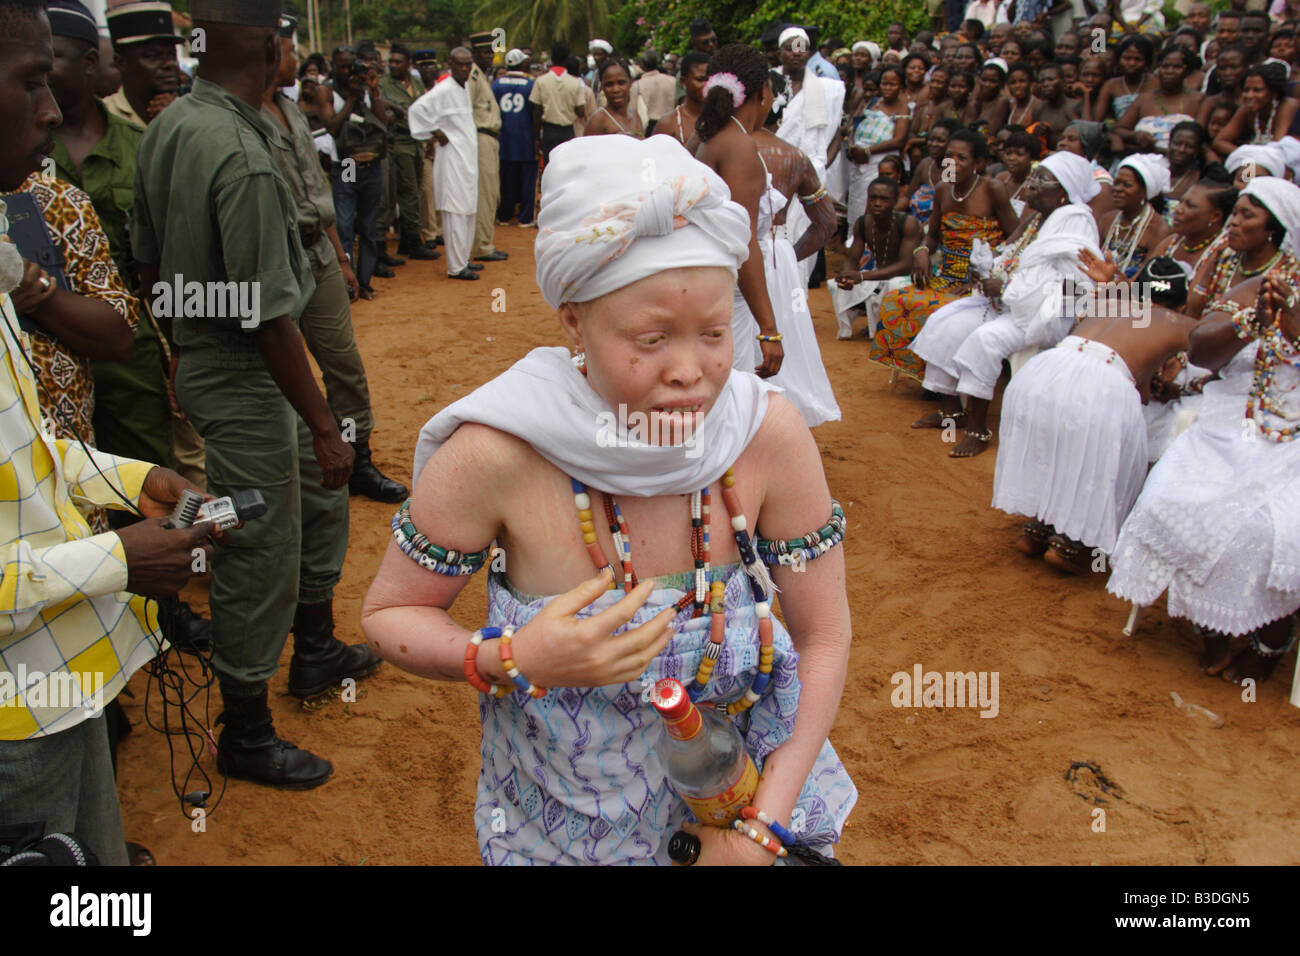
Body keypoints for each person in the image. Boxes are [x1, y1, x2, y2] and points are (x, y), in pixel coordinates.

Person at [362, 132, 856, 865]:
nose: (691, 371)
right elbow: (389, 614)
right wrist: (510, 655)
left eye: (716, 333)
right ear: (573, 319)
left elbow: (823, 636)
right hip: (564, 830)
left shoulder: (764, 435)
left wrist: (761, 829)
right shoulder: (498, 451)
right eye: (651, 339)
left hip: (750, 813)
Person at [132, 0, 374, 789]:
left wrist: (177, 348)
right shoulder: (240, 151)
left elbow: (144, 259)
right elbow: (268, 316)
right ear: (270, 47)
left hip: (221, 359)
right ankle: (245, 729)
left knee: (315, 504)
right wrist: (327, 428)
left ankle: (315, 651)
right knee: (254, 540)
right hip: (245, 371)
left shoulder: (173, 122)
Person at [0, 0, 216, 871]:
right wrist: (125, 560)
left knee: (92, 868)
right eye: (30, 82)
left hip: (55, 688)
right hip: (14, 714)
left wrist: (135, 482)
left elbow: (34, 453)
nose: (52, 110)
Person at [1108, 178, 1300, 684]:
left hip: (1292, 424)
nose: (1234, 222)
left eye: (1247, 216)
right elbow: (1201, 352)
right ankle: (1211, 623)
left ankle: (1270, 638)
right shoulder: (1246, 282)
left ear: (1277, 231)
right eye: (1234, 213)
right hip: (1231, 414)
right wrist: (1253, 322)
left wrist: (1290, 321)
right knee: (1167, 499)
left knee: (1268, 530)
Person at [264, 14, 409, 506]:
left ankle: (358, 458)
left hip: (318, 251)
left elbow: (315, 190)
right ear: (264, 49)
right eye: (288, 47)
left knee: (343, 365)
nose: (299, 60)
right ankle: (293, 474)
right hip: (271, 257)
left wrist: (342, 258)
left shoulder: (288, 109)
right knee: (276, 370)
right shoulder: (240, 119)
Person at [911, 153, 1102, 459]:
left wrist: (1008, 287)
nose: (1033, 184)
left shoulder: (1075, 221)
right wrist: (988, 269)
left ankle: (978, 430)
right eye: (1035, 176)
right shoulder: (1038, 217)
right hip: (1010, 302)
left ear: (1063, 191)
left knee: (984, 340)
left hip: (1043, 314)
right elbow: (1009, 253)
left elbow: (1071, 285)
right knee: (943, 323)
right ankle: (952, 414)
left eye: (1043, 179)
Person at [992, 289, 1194, 572]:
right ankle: (1069, 543)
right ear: (1182, 305)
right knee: (1100, 459)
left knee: (1057, 449)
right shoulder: (1178, 324)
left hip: (1041, 375)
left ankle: (1037, 529)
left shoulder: (1114, 302)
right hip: (1099, 385)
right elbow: (1215, 359)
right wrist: (1184, 384)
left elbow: (1137, 380)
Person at [872, 128, 1017, 383]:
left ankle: (946, 383)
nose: (953, 163)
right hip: (947, 274)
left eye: (962, 158)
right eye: (949, 156)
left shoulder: (993, 189)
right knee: (897, 298)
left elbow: (1015, 239)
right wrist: (922, 251)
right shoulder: (942, 189)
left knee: (940, 310)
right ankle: (925, 377)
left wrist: (984, 277)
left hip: (982, 282)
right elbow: (932, 235)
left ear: (979, 163)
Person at [693, 44, 785, 380]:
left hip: (703, 279)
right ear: (762, 92)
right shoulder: (739, 146)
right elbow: (742, 241)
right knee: (730, 387)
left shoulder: (704, 136)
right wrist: (769, 330)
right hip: (727, 287)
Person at [774, 26, 845, 286]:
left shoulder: (829, 89)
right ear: (779, 52)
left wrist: (820, 164)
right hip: (772, 170)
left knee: (805, 228)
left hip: (810, 171)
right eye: (790, 48)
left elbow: (835, 133)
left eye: (801, 48)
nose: (796, 54)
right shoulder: (768, 84)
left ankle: (796, 286)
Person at [326, 43, 389, 298]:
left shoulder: (368, 89)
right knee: (344, 224)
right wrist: (351, 97)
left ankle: (364, 282)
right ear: (333, 68)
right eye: (341, 66)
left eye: (350, 66)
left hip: (371, 162)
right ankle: (347, 281)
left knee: (368, 227)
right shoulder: (327, 92)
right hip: (347, 163)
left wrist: (373, 91)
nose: (347, 71)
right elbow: (332, 127)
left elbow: (382, 123)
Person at [410, 48, 480, 281]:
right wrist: (436, 131)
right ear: (450, 64)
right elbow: (417, 110)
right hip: (452, 159)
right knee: (456, 211)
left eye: (468, 64)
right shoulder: (443, 89)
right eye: (460, 64)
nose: (465, 69)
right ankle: (456, 266)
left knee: (468, 208)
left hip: (467, 157)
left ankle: (463, 258)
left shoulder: (465, 87)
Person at [833, 176, 921, 339]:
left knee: (894, 285)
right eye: (873, 198)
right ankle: (847, 331)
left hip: (905, 278)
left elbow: (905, 266)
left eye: (884, 199)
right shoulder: (863, 223)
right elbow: (852, 258)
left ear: (895, 201)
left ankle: (888, 330)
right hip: (877, 275)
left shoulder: (908, 223)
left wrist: (861, 276)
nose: (877, 203)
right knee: (836, 283)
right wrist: (847, 275)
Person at [377, 42, 436, 261]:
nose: (393, 65)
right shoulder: (383, 84)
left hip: (417, 143)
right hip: (398, 143)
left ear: (408, 64)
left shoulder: (417, 82)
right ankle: (412, 240)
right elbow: (390, 113)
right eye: (391, 61)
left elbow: (425, 110)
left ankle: (407, 240)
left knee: (418, 191)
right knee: (407, 193)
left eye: (397, 62)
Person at [846, 65, 910, 228]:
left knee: (874, 199)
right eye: (884, 83)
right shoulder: (873, 102)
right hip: (859, 160)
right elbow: (855, 124)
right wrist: (854, 148)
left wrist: (868, 151)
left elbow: (899, 140)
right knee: (857, 199)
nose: (887, 88)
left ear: (901, 86)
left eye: (892, 84)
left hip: (879, 159)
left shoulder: (903, 108)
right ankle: (855, 236)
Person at [102, 1, 182, 130]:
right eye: (152, 56)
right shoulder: (103, 118)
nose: (169, 64)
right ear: (121, 62)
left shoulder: (190, 113)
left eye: (172, 54)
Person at [466, 32, 507, 265]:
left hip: (489, 138)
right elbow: (467, 109)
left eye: (491, 52)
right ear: (474, 53)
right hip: (481, 137)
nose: (489, 57)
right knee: (485, 192)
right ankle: (482, 245)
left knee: (491, 192)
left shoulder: (480, 75)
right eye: (484, 52)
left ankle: (485, 242)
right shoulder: (473, 75)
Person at [1100, 153, 1172, 279]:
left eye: (1127, 185)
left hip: (1134, 293)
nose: (1118, 189)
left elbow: (1147, 277)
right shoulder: (1108, 219)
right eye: (1116, 183)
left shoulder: (1159, 229)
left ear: (1144, 191)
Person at [1212, 62, 1298, 156]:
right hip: (1256, 160)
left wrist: (1252, 155)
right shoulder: (1246, 108)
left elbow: (1277, 148)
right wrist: (1247, 154)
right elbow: (1219, 141)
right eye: (1246, 90)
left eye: (1257, 90)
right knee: (1248, 168)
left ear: (1274, 92)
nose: (1249, 95)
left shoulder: (1288, 105)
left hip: (1286, 162)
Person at [494, 49, 538, 226]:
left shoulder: (496, 84)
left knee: (506, 179)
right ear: (523, 63)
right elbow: (536, 112)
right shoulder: (531, 84)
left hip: (504, 138)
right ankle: (525, 216)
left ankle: (504, 214)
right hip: (526, 138)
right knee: (527, 180)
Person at [529, 42, 586, 165]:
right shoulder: (575, 82)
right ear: (567, 59)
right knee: (567, 167)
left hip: (549, 132)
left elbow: (537, 111)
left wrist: (536, 138)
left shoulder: (541, 81)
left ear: (552, 58)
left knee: (550, 166)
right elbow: (581, 111)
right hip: (568, 132)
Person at [652, 51, 708, 145]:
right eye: (700, 80)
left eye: (710, 79)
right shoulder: (668, 123)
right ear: (683, 81)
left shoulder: (724, 120)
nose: (707, 85)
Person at [585, 58, 645, 138]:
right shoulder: (598, 121)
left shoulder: (635, 116)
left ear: (630, 82)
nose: (615, 89)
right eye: (609, 84)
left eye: (621, 83)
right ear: (602, 87)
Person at [633, 49, 675, 136]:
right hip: (671, 124)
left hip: (649, 128)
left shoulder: (637, 85)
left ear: (642, 64)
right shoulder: (672, 80)